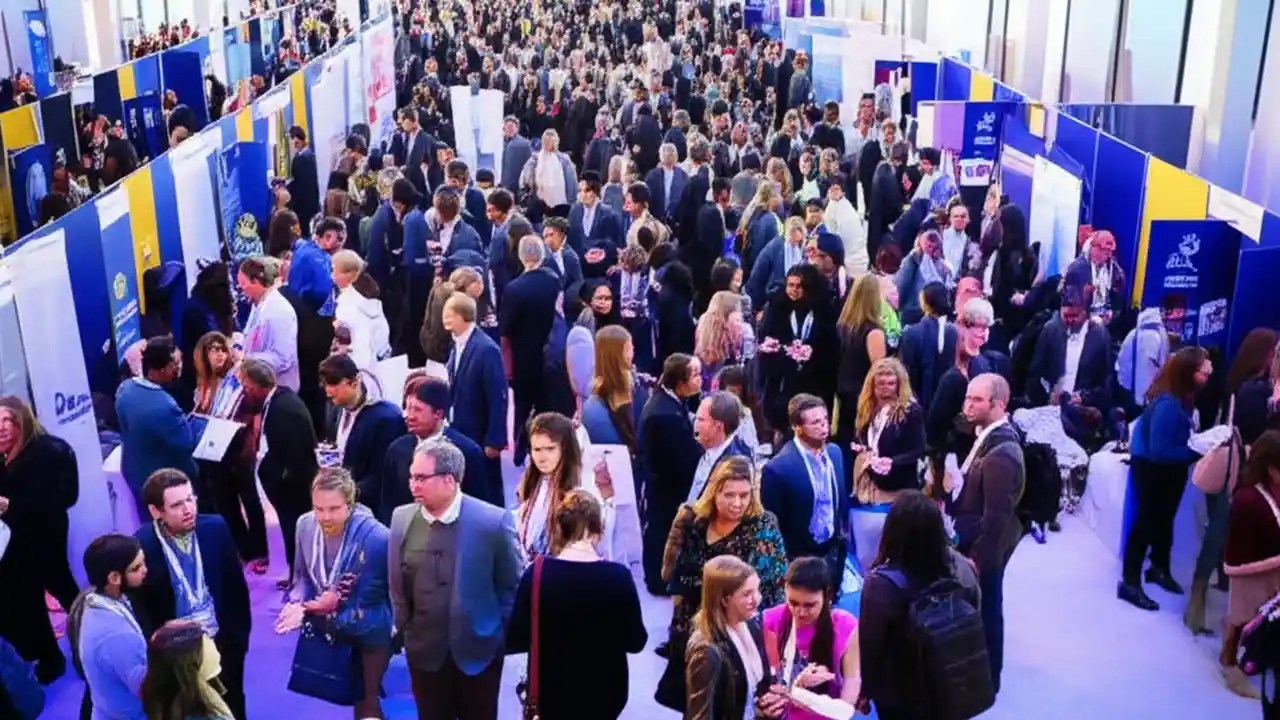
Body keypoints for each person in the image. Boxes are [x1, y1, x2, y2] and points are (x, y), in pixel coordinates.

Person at [388, 437, 522, 720]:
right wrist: (407, 631)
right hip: (423, 653)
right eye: (412, 476)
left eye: (422, 478)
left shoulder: (492, 523)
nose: (413, 485)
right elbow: (398, 585)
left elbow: (510, 586)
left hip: (479, 654)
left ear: (449, 480)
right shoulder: (401, 519)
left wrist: (495, 635)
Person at [658, 456, 788, 711]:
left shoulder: (763, 526)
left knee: (730, 705)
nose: (737, 503)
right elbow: (671, 575)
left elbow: (771, 589)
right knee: (696, 704)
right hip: (693, 627)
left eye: (744, 495)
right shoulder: (694, 522)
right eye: (729, 495)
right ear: (714, 490)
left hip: (736, 635)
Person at [506, 490, 648, 719]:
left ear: (558, 528)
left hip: (550, 692)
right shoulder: (618, 577)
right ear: (598, 530)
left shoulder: (537, 574)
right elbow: (636, 642)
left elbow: (517, 638)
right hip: (605, 693)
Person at [275, 468, 392, 719]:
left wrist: (309, 611)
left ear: (350, 506)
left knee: (367, 702)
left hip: (370, 629)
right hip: (331, 627)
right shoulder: (304, 525)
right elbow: (303, 578)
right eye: (319, 508)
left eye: (334, 509)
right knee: (348, 696)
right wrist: (297, 604)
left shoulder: (377, 537)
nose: (325, 517)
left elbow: (368, 604)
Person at [858, 490, 981, 720]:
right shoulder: (965, 568)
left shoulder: (881, 585)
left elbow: (871, 646)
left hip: (902, 697)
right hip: (952, 682)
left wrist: (865, 690)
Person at [1120, 346, 1212, 612]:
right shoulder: (1168, 405)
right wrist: (1196, 449)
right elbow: (1160, 451)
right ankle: (1129, 582)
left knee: (1164, 519)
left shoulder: (1180, 399)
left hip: (1167, 469)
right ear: (1188, 373)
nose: (1207, 376)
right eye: (1202, 371)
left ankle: (1159, 568)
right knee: (1146, 522)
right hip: (1151, 467)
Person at [0, 396, 79, 683]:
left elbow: (65, 498)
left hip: (45, 534)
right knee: (25, 600)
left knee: (60, 585)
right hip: (12, 543)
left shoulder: (51, 452)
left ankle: (86, 639)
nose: (1, 428)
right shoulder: (3, 454)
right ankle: (47, 657)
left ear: (23, 421)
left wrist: (12, 506)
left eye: (8, 420)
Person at [954, 373, 1024, 693]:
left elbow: (996, 516)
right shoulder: (985, 434)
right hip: (974, 542)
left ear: (998, 406)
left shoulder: (1003, 453)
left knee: (989, 610)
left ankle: (990, 680)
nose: (967, 405)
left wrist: (981, 558)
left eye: (976, 400)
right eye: (967, 397)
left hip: (986, 550)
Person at [238, 358, 317, 581]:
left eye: (246, 386)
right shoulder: (278, 400)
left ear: (257, 385)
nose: (244, 392)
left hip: (293, 491)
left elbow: (294, 458)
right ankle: (294, 574)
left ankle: (300, 579)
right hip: (286, 489)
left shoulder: (283, 410)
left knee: (295, 535)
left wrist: (276, 481)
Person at [683, 555, 788, 720]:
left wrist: (766, 704)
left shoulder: (753, 624)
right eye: (747, 594)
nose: (757, 600)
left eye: (757, 590)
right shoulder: (706, 651)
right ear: (725, 600)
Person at [381, 377, 497, 521]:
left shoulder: (467, 452)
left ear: (438, 413)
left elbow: (480, 506)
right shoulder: (397, 450)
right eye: (408, 408)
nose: (410, 416)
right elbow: (387, 504)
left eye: (417, 409)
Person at [761, 394, 848, 584]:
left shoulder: (835, 453)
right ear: (796, 427)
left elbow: (840, 503)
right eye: (815, 423)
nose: (823, 427)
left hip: (832, 554)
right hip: (797, 559)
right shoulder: (779, 468)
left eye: (825, 420)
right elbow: (772, 525)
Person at [849, 359, 925, 574]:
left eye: (890, 383)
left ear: (899, 384)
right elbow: (863, 438)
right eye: (880, 383)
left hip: (897, 487)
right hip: (867, 483)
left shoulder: (911, 411)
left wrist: (893, 462)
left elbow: (918, 449)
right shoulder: (867, 408)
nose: (885, 388)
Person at [763, 558, 861, 718]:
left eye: (810, 605)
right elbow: (773, 680)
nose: (800, 612)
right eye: (793, 603)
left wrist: (843, 708)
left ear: (826, 596)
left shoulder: (844, 624)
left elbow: (852, 679)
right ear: (785, 590)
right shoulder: (772, 620)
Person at [639, 353, 704, 594]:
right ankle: (657, 579)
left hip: (665, 482)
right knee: (661, 529)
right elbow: (679, 459)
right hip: (666, 485)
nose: (700, 380)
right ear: (679, 380)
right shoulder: (664, 414)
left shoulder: (670, 403)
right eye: (695, 375)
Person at [115, 336, 200, 518]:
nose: (178, 368)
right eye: (174, 364)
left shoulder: (124, 389)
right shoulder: (164, 406)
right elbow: (187, 445)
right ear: (161, 369)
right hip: (167, 489)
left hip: (136, 476)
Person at [515, 412, 618, 560]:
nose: (542, 457)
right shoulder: (534, 482)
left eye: (550, 449)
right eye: (536, 449)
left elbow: (600, 541)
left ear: (565, 449)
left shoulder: (582, 489)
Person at [500, 235, 564, 464]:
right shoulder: (554, 281)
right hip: (551, 356)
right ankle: (548, 451)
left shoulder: (514, 289)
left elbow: (505, 330)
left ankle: (520, 449)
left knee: (522, 407)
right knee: (546, 407)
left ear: (521, 256)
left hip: (523, 359)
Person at [442, 293, 508, 502]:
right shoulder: (456, 345)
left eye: (449, 314)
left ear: (463, 316)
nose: (445, 318)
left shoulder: (486, 349)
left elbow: (498, 396)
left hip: (481, 436)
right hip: (460, 431)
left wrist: (495, 440)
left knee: (487, 489)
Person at [75, 534, 150, 720]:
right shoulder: (117, 635)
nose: (145, 570)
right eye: (136, 567)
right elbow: (147, 690)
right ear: (114, 577)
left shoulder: (95, 603)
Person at [318, 353, 406, 510]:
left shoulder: (386, 419)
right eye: (325, 384)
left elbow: (382, 475)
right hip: (344, 499)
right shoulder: (336, 410)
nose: (328, 391)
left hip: (370, 507)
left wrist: (347, 495)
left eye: (334, 384)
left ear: (354, 382)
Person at [139, 621, 234, 720]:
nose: (214, 646)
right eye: (209, 639)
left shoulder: (159, 704)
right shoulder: (211, 715)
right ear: (193, 665)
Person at [237, 256, 300, 391]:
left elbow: (283, 358)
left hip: (280, 389)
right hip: (260, 386)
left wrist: (247, 359)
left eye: (243, 284)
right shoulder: (258, 305)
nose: (241, 290)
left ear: (256, 281)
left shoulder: (279, 311)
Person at [331, 249, 392, 371]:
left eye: (334, 270)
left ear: (348, 275)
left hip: (360, 369)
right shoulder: (367, 298)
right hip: (378, 361)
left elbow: (362, 343)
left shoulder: (349, 305)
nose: (331, 275)